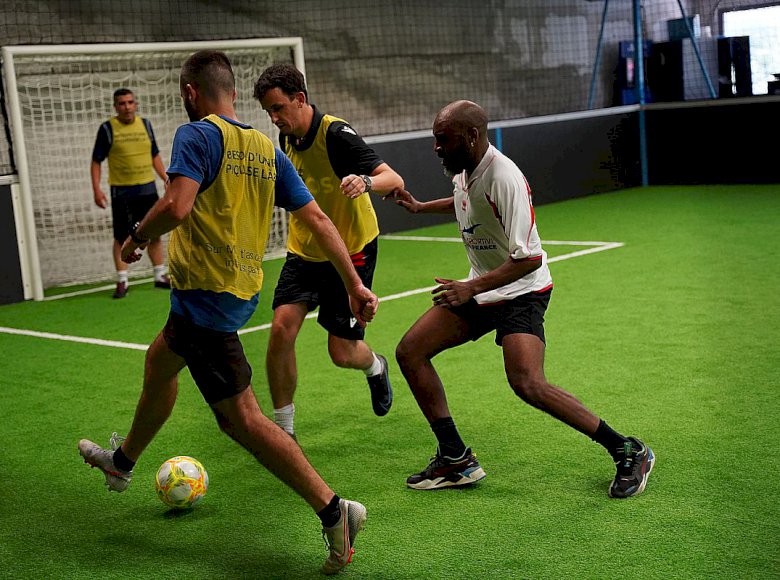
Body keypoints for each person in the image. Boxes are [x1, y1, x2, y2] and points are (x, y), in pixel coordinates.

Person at [78, 50, 375, 574]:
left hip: (207, 300)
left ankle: (335, 510)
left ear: (191, 93)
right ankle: (121, 464)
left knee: (243, 421)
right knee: (159, 362)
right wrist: (353, 283)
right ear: (234, 93)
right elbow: (320, 219)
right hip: (230, 292)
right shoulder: (266, 147)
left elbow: (176, 205)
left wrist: (135, 238)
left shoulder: (196, 136)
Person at [386, 100, 654, 498]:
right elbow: (467, 204)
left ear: (472, 136)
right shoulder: (465, 171)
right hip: (485, 287)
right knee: (410, 352)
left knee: (527, 383)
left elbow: (528, 259)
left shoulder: (504, 178)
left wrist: (471, 288)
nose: (436, 148)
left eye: (443, 139)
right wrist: (421, 207)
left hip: (522, 291)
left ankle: (627, 449)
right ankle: (455, 457)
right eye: (435, 139)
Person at [252, 64, 404, 439]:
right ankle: (284, 430)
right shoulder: (285, 138)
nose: (273, 118)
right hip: (304, 250)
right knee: (281, 330)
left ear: (299, 99)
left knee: (342, 352)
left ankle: (375, 367)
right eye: (268, 111)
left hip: (352, 249)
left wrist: (365, 181)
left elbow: (393, 179)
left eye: (278, 108)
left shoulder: (336, 134)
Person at [91, 88, 171, 299]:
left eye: (130, 102)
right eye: (122, 103)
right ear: (115, 106)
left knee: (153, 232)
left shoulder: (145, 125)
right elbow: (96, 161)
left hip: (147, 189)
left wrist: (165, 178)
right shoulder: (107, 129)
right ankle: (122, 280)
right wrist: (96, 189)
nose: (126, 107)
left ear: (135, 104)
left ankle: (160, 275)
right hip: (122, 193)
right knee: (121, 236)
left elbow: (154, 154)